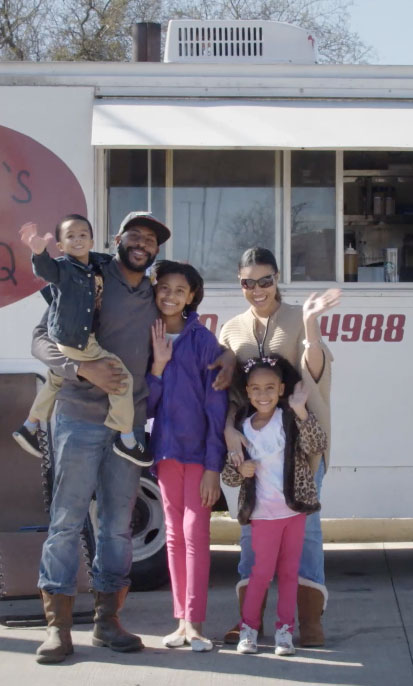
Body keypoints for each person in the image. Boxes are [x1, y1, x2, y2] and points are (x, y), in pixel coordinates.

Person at [30, 210, 170, 665]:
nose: (142, 244)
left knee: (116, 526)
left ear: (155, 251)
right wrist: (79, 368)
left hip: (128, 425)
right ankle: (58, 628)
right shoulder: (87, 275)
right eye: (135, 235)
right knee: (67, 520)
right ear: (118, 238)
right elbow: (39, 339)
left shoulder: (156, 293)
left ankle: (107, 623)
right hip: (78, 416)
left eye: (151, 240)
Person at [217, 247, 340, 648]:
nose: (257, 289)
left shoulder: (295, 319)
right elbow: (228, 392)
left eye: (265, 280)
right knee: (253, 534)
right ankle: (250, 621)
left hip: (302, 448)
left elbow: (316, 372)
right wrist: (229, 431)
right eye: (248, 282)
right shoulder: (232, 329)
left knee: (307, 535)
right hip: (254, 451)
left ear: (277, 279)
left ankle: (307, 623)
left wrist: (310, 324)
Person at [13, 214, 148, 466]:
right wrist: (39, 252)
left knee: (55, 380)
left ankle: (29, 426)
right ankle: (127, 438)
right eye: (70, 237)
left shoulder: (96, 263)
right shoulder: (63, 267)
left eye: (83, 235)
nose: (78, 240)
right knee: (122, 377)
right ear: (61, 246)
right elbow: (46, 270)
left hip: (69, 339)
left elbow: (118, 262)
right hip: (77, 340)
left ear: (92, 240)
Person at [146, 260, 227, 653]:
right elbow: (144, 406)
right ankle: (180, 623)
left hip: (198, 457)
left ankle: (195, 623)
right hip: (164, 452)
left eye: (180, 290)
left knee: (196, 534)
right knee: (175, 536)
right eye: (164, 288)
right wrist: (157, 367)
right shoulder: (149, 337)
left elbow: (217, 410)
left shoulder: (204, 342)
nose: (170, 296)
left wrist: (213, 467)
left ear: (192, 296)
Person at [221, 356, 325, 656]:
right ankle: (249, 629)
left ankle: (285, 632)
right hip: (263, 515)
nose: (262, 394)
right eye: (255, 389)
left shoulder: (289, 418)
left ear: (281, 389)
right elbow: (229, 473)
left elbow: (317, 444)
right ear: (247, 392)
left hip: (293, 511)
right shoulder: (242, 426)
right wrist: (241, 470)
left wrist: (301, 409)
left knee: (290, 573)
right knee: (261, 573)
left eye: (269, 388)